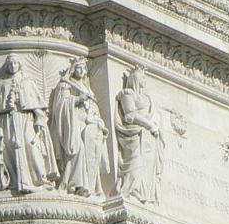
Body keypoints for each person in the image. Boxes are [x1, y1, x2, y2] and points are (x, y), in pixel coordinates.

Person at [0, 53, 58, 192]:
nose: (13, 66)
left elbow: (37, 106)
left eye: (15, 63)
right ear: (6, 66)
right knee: (9, 147)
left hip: (26, 119)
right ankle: (15, 182)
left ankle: (39, 179)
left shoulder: (28, 82)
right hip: (7, 120)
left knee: (30, 144)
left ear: (19, 65)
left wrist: (40, 118)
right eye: (10, 64)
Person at [49, 57, 107, 198]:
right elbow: (61, 106)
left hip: (89, 123)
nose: (81, 70)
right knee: (78, 148)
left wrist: (98, 121)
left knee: (92, 151)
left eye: (83, 68)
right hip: (73, 123)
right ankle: (73, 184)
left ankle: (92, 186)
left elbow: (94, 108)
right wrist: (78, 99)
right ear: (73, 70)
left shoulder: (88, 88)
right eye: (78, 67)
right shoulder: (66, 85)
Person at [115, 67, 163, 204]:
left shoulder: (147, 98)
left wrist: (153, 125)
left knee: (148, 166)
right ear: (135, 79)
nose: (144, 80)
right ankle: (131, 190)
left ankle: (145, 193)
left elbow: (154, 115)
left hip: (149, 136)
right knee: (135, 163)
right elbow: (129, 116)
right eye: (142, 77)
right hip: (134, 134)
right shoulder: (127, 94)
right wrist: (148, 125)